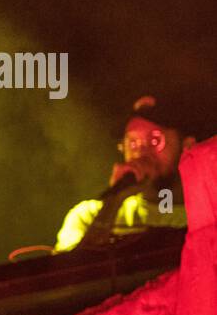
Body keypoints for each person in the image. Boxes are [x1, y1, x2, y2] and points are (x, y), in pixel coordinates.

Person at [54, 96, 195, 252]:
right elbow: (70, 273)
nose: (141, 153)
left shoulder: (209, 214)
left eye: (155, 140)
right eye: (132, 143)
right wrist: (112, 204)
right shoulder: (86, 217)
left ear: (187, 147)